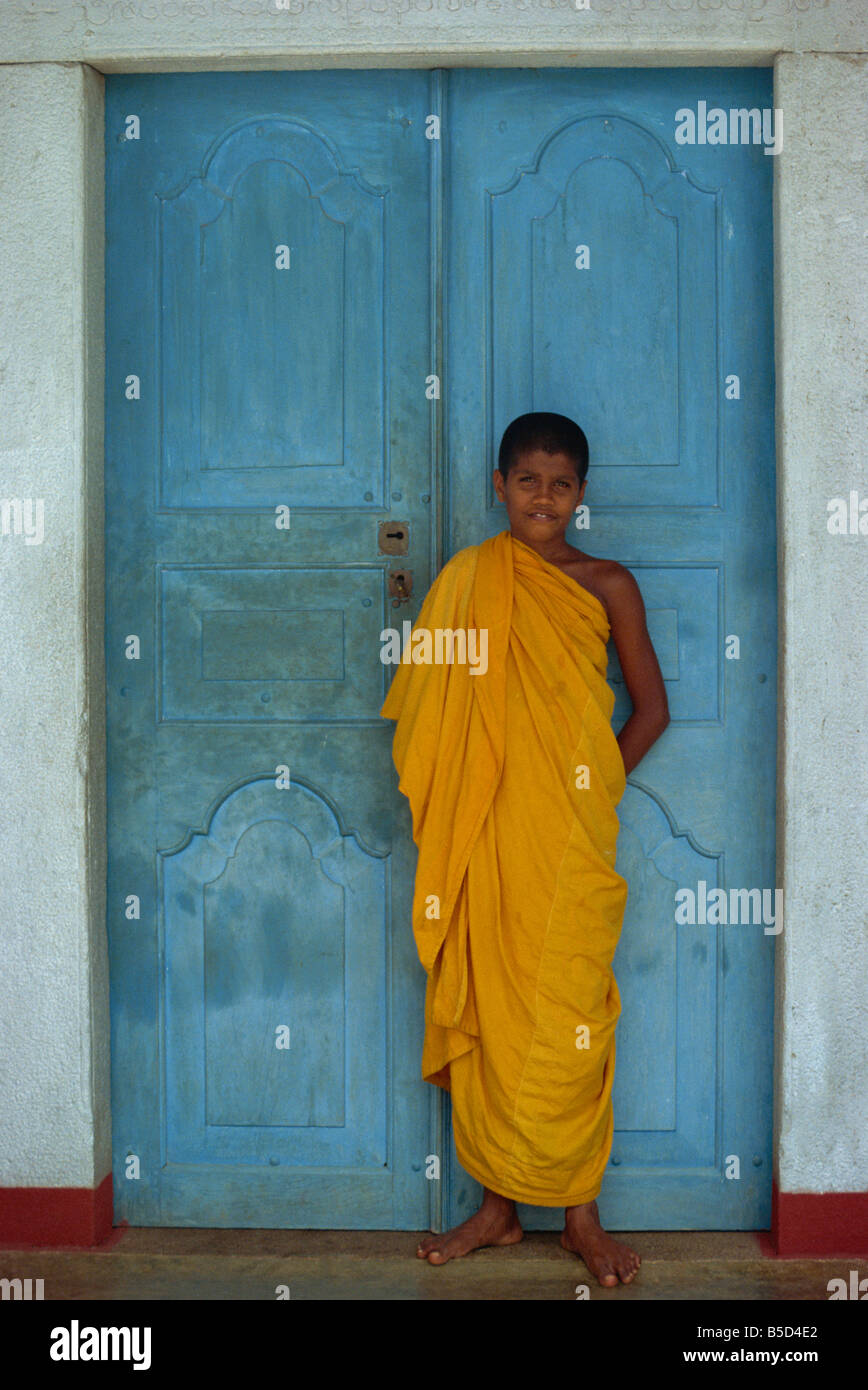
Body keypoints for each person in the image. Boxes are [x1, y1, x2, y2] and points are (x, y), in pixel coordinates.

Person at [379, 412, 670, 1287]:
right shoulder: (467, 580)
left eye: (563, 483)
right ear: (498, 487)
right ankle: (499, 1210)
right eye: (528, 481)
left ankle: (581, 1212)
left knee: (574, 1014)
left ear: (583, 493)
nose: (545, 498)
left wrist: (590, 790)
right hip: (488, 834)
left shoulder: (608, 583)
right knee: (496, 1013)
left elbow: (651, 711)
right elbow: (428, 717)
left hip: (571, 837)